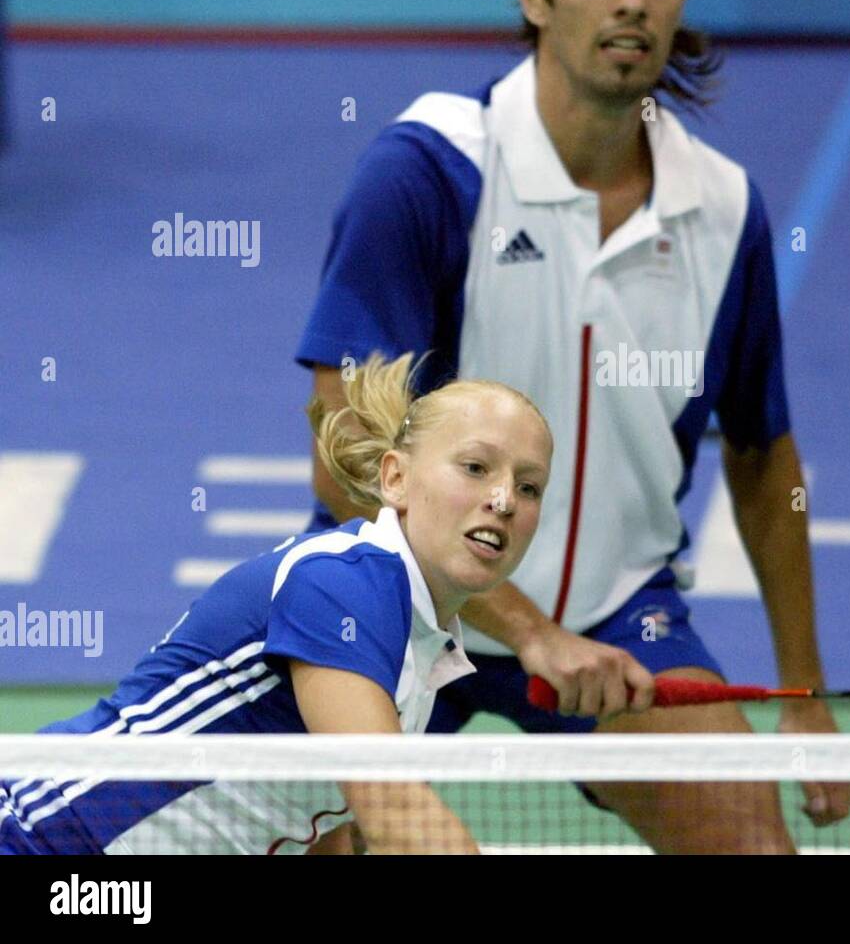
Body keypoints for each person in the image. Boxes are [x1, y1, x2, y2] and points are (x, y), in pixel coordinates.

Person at [297, 0, 850, 853]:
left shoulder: (722, 210)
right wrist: (529, 632)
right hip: (395, 606)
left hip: (613, 618)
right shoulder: (430, 171)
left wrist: (803, 695)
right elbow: (344, 453)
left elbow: (763, 454)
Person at [0, 354, 553, 855]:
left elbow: (319, 822)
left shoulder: (417, 647)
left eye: (529, 487)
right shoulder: (341, 584)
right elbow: (395, 813)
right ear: (396, 478)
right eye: (476, 468)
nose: (504, 501)